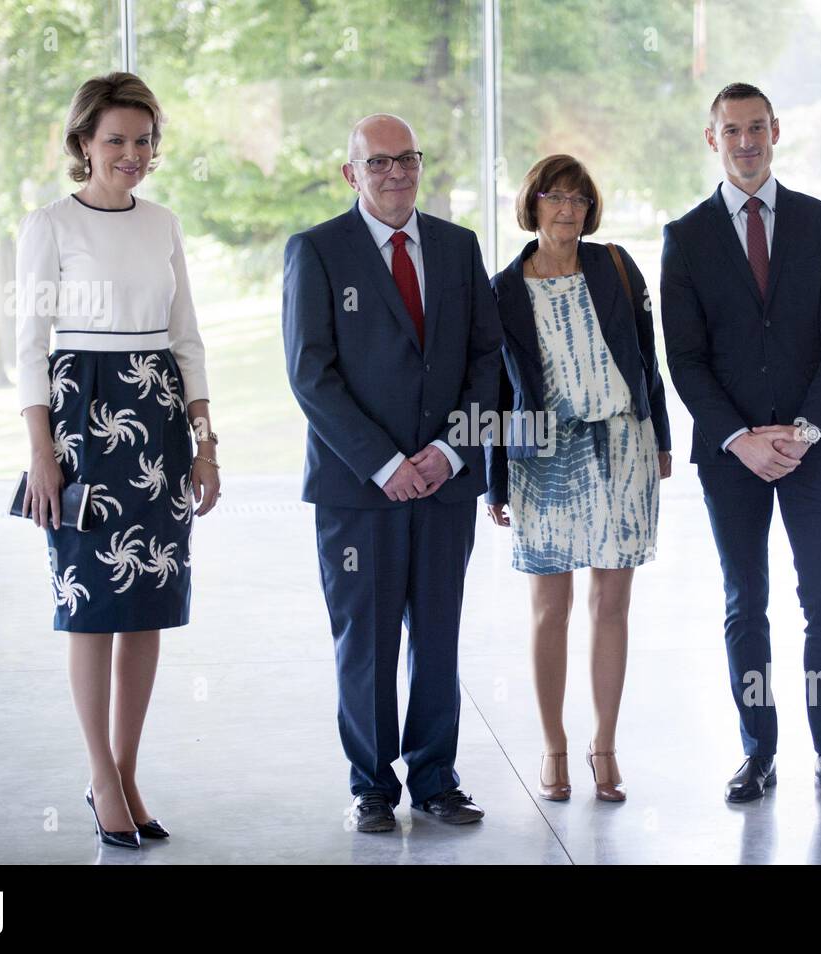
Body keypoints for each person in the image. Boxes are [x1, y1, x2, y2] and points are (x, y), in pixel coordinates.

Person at [16, 72, 221, 849]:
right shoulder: (49, 225)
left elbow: (188, 340)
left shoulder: (163, 223)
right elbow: (29, 349)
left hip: (159, 413)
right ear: (83, 145)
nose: (132, 154)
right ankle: (100, 774)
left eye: (142, 141)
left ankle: (129, 772)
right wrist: (42, 453)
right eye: (115, 140)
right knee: (89, 607)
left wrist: (205, 445)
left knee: (147, 605)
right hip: (81, 419)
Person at [283, 114, 502, 833]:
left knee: (438, 635)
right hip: (358, 490)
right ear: (352, 173)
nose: (396, 173)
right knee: (368, 641)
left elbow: (484, 361)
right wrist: (384, 464)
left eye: (407, 159)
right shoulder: (315, 252)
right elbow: (312, 375)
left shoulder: (459, 247)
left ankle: (437, 778)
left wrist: (446, 453)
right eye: (378, 163)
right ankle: (372, 786)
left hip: (445, 484)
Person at [660, 83, 821, 804]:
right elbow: (684, 358)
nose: (745, 142)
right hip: (733, 458)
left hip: (817, 451)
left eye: (756, 128)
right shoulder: (685, 238)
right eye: (731, 131)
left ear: (776, 130)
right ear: (710, 139)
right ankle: (759, 750)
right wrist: (739, 439)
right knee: (745, 604)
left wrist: (808, 431)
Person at [486, 155, 671, 802]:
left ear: (591, 210)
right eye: (553, 196)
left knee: (612, 605)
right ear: (531, 205)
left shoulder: (616, 266)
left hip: (625, 443)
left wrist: (664, 444)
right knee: (549, 610)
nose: (567, 209)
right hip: (544, 457)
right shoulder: (503, 288)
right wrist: (496, 480)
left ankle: (605, 746)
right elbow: (496, 391)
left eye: (578, 199)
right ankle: (554, 746)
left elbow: (649, 360)